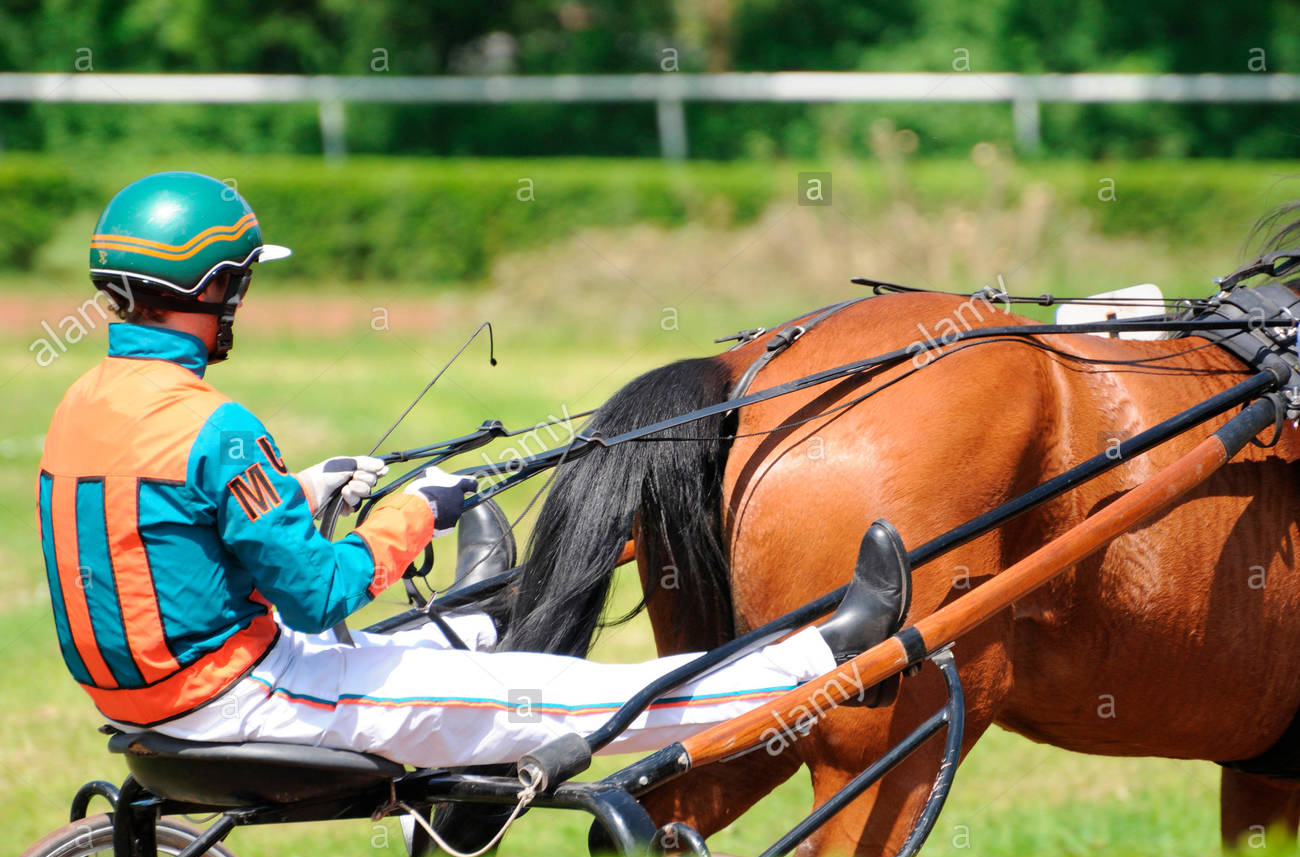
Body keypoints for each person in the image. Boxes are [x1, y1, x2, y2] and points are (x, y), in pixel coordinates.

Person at [36, 171, 891, 771]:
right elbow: (318, 594)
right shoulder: (212, 426)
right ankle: (819, 656)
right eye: (243, 285)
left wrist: (301, 491)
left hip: (149, 699)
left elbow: (154, 528)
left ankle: (482, 620)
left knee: (442, 642)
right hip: (245, 697)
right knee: (564, 697)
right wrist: (414, 511)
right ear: (213, 286)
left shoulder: (83, 403)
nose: (242, 306)